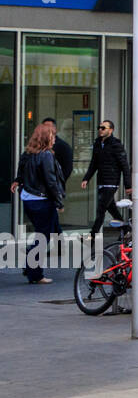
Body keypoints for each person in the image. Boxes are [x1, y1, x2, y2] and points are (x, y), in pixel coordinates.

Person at [13, 125, 65, 284]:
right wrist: (59, 202)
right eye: (53, 136)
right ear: (46, 138)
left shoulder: (27, 153)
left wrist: (17, 181)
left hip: (29, 199)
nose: (55, 139)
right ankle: (34, 273)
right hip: (42, 200)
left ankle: (30, 265)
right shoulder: (46, 155)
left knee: (47, 232)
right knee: (43, 237)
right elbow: (50, 181)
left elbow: (21, 172)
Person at [79, 119, 132, 237]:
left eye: (103, 128)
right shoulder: (98, 143)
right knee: (111, 208)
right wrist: (86, 178)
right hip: (101, 181)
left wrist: (128, 185)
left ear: (111, 130)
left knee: (101, 209)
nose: (100, 130)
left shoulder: (116, 144)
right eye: (99, 127)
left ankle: (91, 237)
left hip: (111, 182)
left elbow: (124, 165)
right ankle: (127, 229)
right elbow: (94, 163)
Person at [41, 117, 74, 184]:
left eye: (50, 127)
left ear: (55, 129)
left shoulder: (63, 147)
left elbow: (67, 169)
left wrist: (56, 184)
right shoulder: (36, 144)